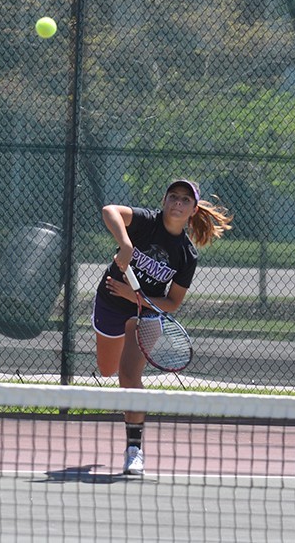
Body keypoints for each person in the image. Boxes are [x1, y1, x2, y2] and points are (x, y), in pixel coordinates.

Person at [92, 179, 232, 475]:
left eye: (185, 200)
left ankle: (134, 450)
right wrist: (126, 244)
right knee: (107, 370)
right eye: (173, 197)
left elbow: (171, 302)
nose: (178, 203)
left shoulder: (186, 255)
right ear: (165, 200)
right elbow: (109, 211)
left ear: (193, 210)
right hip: (111, 302)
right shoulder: (145, 221)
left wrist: (138, 297)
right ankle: (128, 406)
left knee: (129, 376)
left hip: (147, 313)